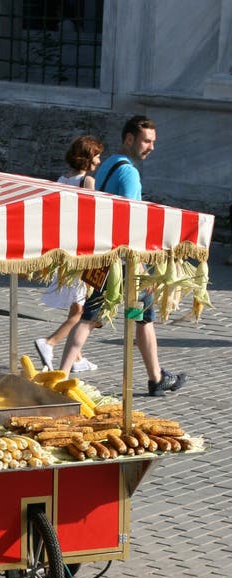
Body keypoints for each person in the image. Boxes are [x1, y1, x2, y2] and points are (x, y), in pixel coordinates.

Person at [59, 115, 186, 397]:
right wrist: (142, 263)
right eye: (146, 141)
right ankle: (62, 375)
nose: (151, 147)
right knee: (98, 316)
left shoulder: (107, 166)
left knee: (134, 316)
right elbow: (133, 218)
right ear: (129, 139)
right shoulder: (128, 172)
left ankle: (156, 377)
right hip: (124, 262)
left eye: (153, 141)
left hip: (102, 255)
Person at [34, 134, 104, 373]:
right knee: (80, 311)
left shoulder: (61, 180)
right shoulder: (88, 182)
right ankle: (49, 342)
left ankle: (76, 358)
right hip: (81, 250)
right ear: (87, 157)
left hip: (64, 248)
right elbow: (92, 216)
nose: (99, 160)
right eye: (96, 155)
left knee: (77, 305)